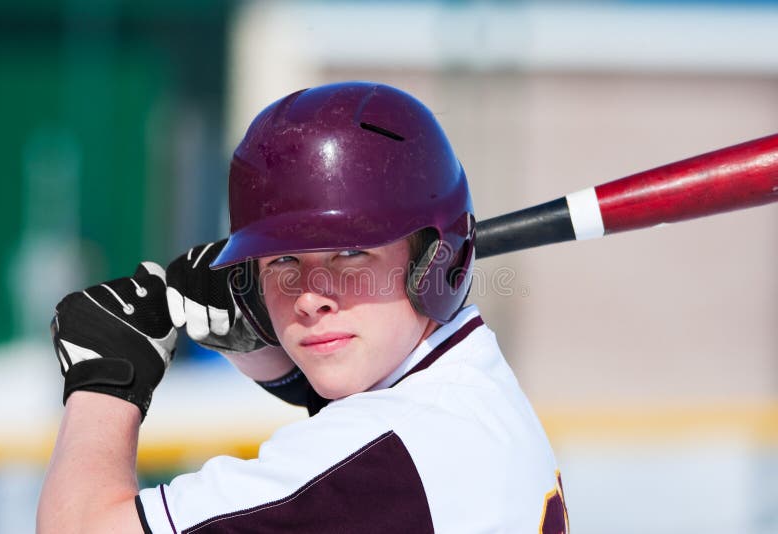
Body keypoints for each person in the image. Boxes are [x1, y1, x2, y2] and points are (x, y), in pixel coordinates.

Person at [37, 81, 569, 533]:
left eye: (351, 252)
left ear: (434, 261)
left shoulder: (382, 460)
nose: (311, 296)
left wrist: (107, 373)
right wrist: (269, 358)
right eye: (283, 259)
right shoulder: (469, 382)